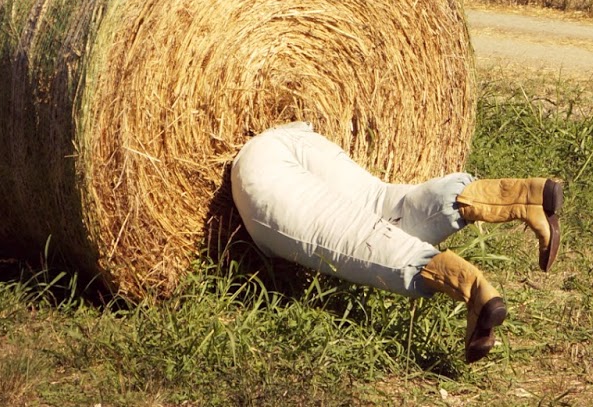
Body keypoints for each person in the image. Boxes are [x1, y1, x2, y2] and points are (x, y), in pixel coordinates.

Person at [230, 121, 564, 362]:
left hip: (272, 155)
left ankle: (485, 262)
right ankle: (515, 211)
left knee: (369, 223)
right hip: (294, 144)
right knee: (376, 219)